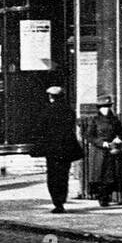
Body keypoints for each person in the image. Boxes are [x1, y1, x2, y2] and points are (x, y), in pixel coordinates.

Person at [30, 84, 84, 213]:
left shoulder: (47, 111)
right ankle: (62, 199)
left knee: (53, 175)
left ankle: (57, 203)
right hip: (66, 148)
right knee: (64, 175)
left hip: (52, 149)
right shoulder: (69, 110)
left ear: (51, 97)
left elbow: (40, 129)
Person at [87, 94, 122, 206]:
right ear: (99, 108)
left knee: (110, 175)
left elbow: (120, 133)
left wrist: (118, 139)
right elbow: (89, 136)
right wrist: (101, 143)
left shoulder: (115, 120)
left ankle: (106, 196)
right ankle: (101, 197)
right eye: (103, 106)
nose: (106, 109)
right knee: (99, 175)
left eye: (108, 106)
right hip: (99, 151)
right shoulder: (94, 120)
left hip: (111, 149)